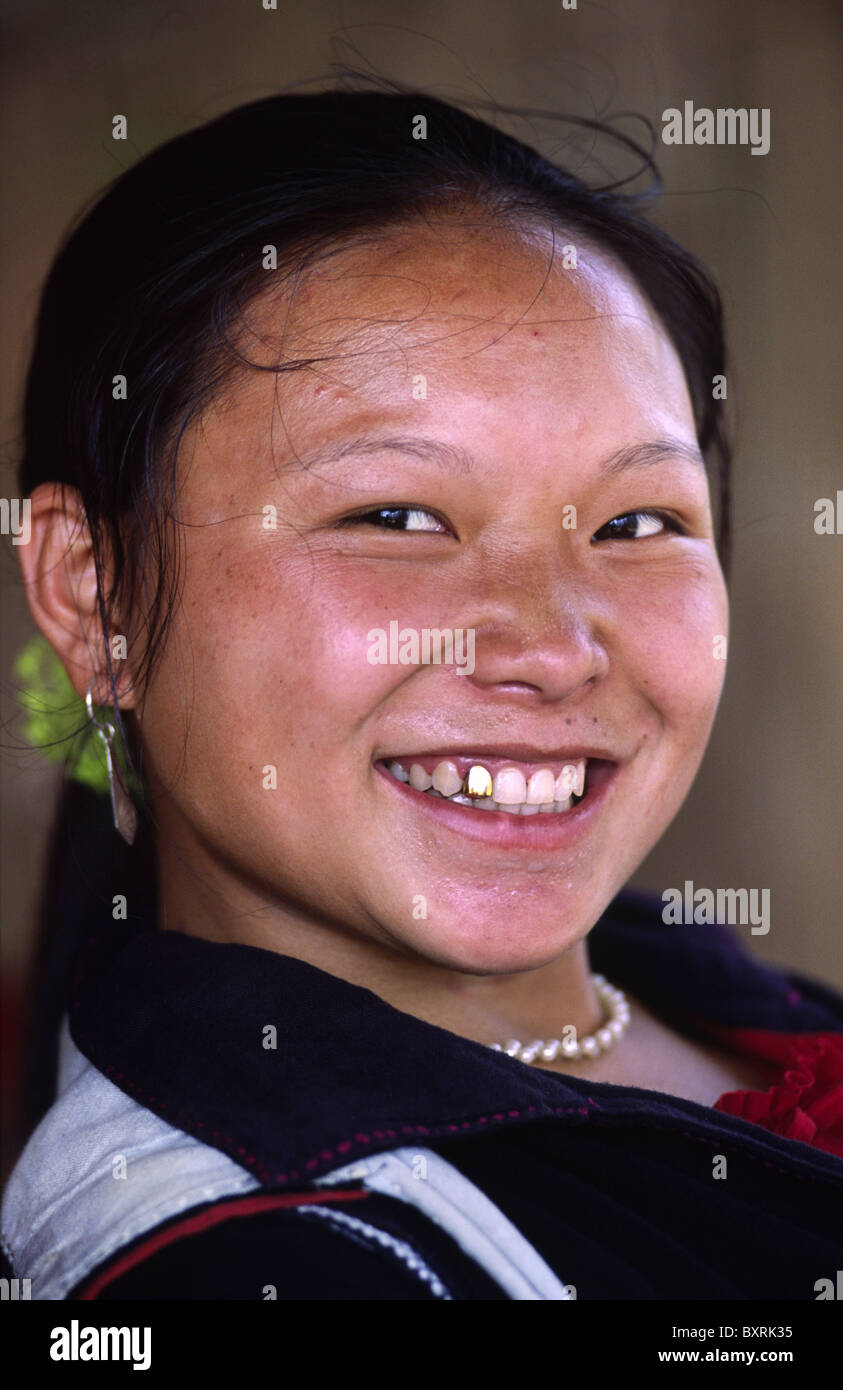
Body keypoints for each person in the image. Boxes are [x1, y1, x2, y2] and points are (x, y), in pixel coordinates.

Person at [2, 84, 841, 1302]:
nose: (554, 649)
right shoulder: (271, 1266)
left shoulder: (712, 992)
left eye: (636, 521)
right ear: (93, 594)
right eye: (394, 516)